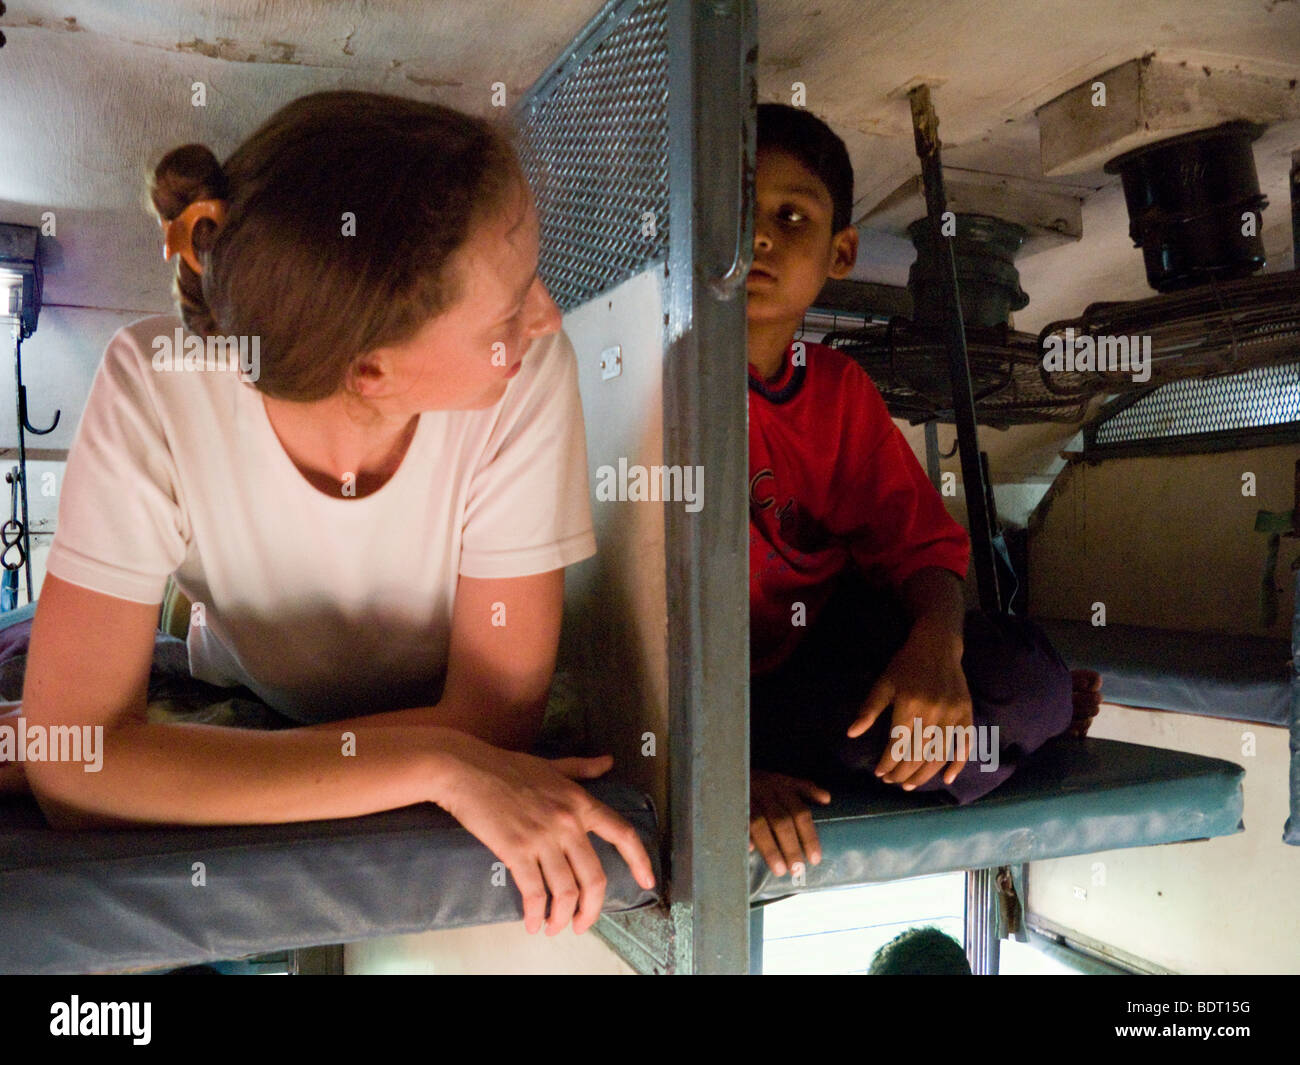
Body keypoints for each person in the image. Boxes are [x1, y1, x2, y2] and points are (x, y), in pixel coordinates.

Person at [15, 90, 654, 937]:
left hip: (387, 715)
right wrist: (439, 758)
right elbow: (79, 765)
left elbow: (495, 716)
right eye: (508, 313)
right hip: (246, 694)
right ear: (371, 375)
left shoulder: (527, 375)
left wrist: (136, 763)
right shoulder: (153, 384)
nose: (545, 317)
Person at [746, 103, 1097, 877]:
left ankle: (1006, 732)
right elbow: (621, 628)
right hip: (736, 695)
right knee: (882, 735)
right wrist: (719, 775)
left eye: (790, 215)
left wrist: (935, 645)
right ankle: (997, 748)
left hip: (833, 646)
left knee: (1021, 683)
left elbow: (919, 549)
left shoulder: (836, 388)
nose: (759, 236)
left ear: (840, 253)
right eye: (738, 211)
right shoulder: (654, 382)